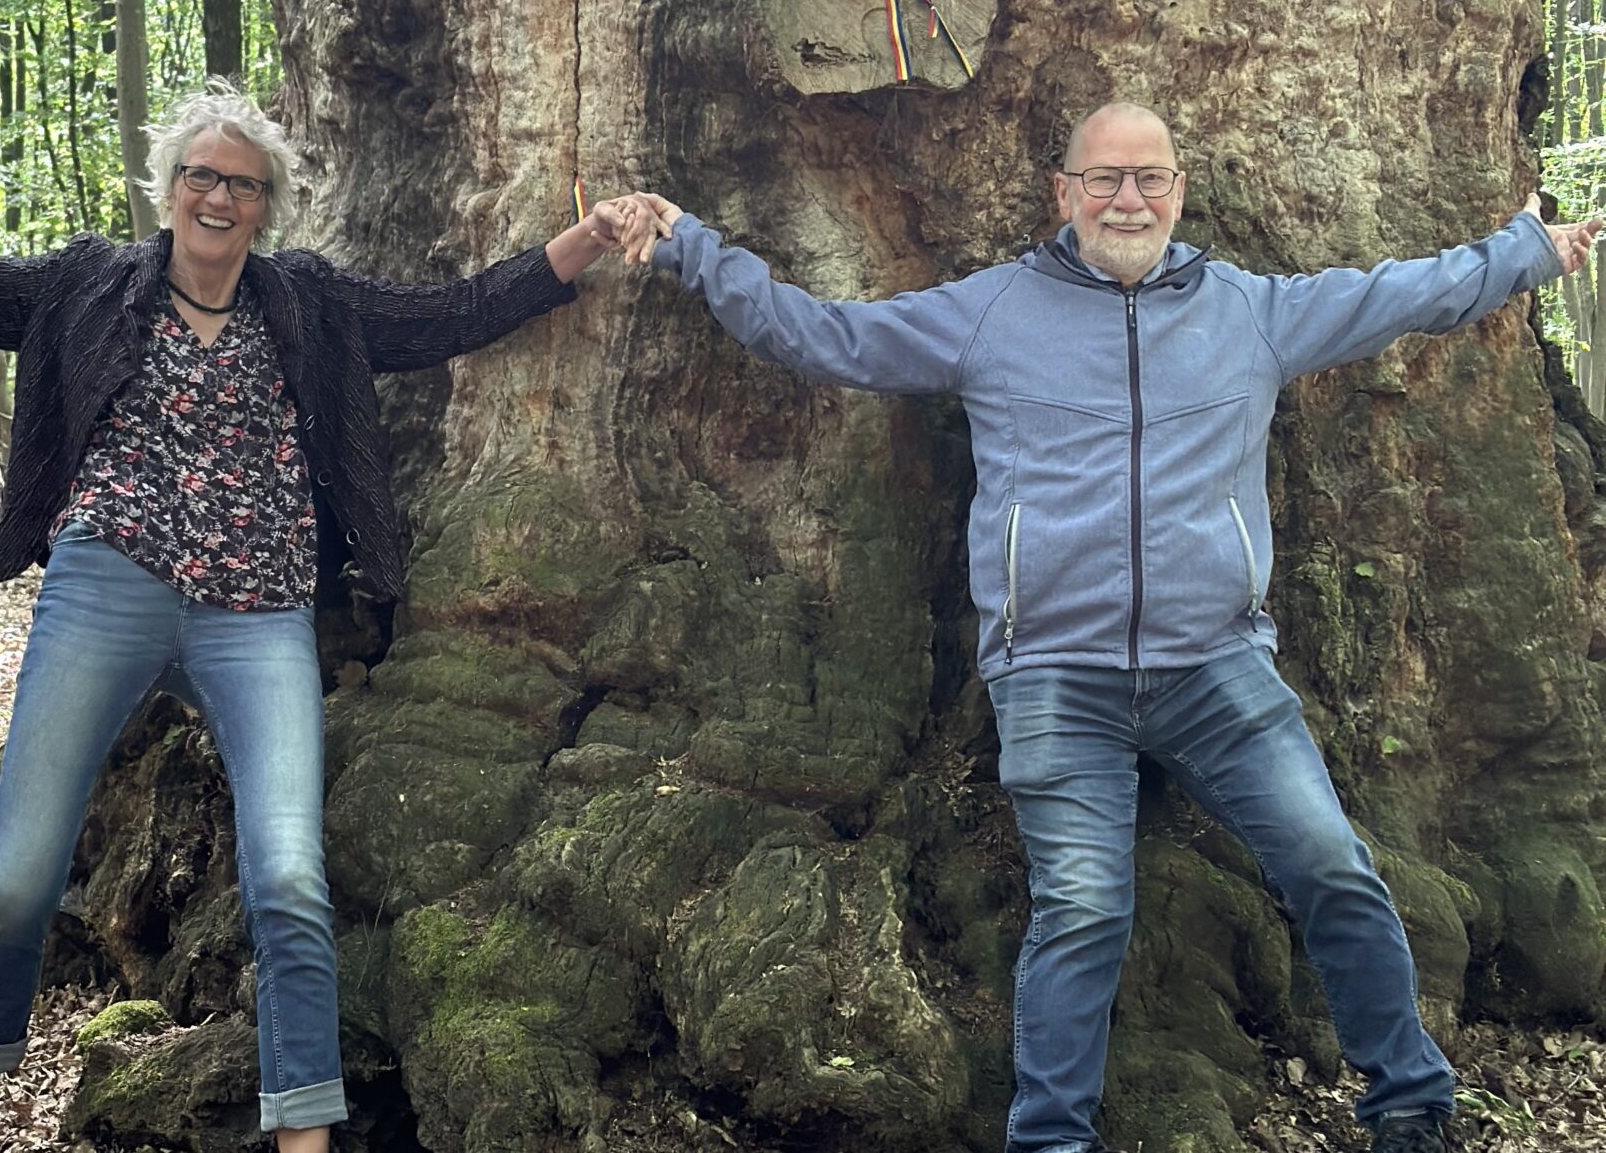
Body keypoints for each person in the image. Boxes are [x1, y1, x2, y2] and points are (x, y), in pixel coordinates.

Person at [0, 82, 646, 1153]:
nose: (219, 197)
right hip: (107, 584)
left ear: (267, 205)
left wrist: (587, 237)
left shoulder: (309, 302)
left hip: (257, 609)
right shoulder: (89, 284)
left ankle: (305, 1140)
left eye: (243, 184)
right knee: (18, 876)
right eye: (201, 175)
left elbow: (449, 315)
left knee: (288, 877)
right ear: (169, 186)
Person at [611, 102, 1602, 1153]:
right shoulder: (991, 312)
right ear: (1064, 193)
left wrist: (1527, 251)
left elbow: (1401, 293)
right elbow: (824, 336)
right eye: (1104, 179)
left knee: (1331, 862)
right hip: (1053, 671)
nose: (1127, 199)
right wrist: (690, 247)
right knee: (1083, 907)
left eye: (1149, 178)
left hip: (1215, 667)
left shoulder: (1248, 312)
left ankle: (1407, 1103)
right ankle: (1051, 1137)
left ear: (1178, 191)